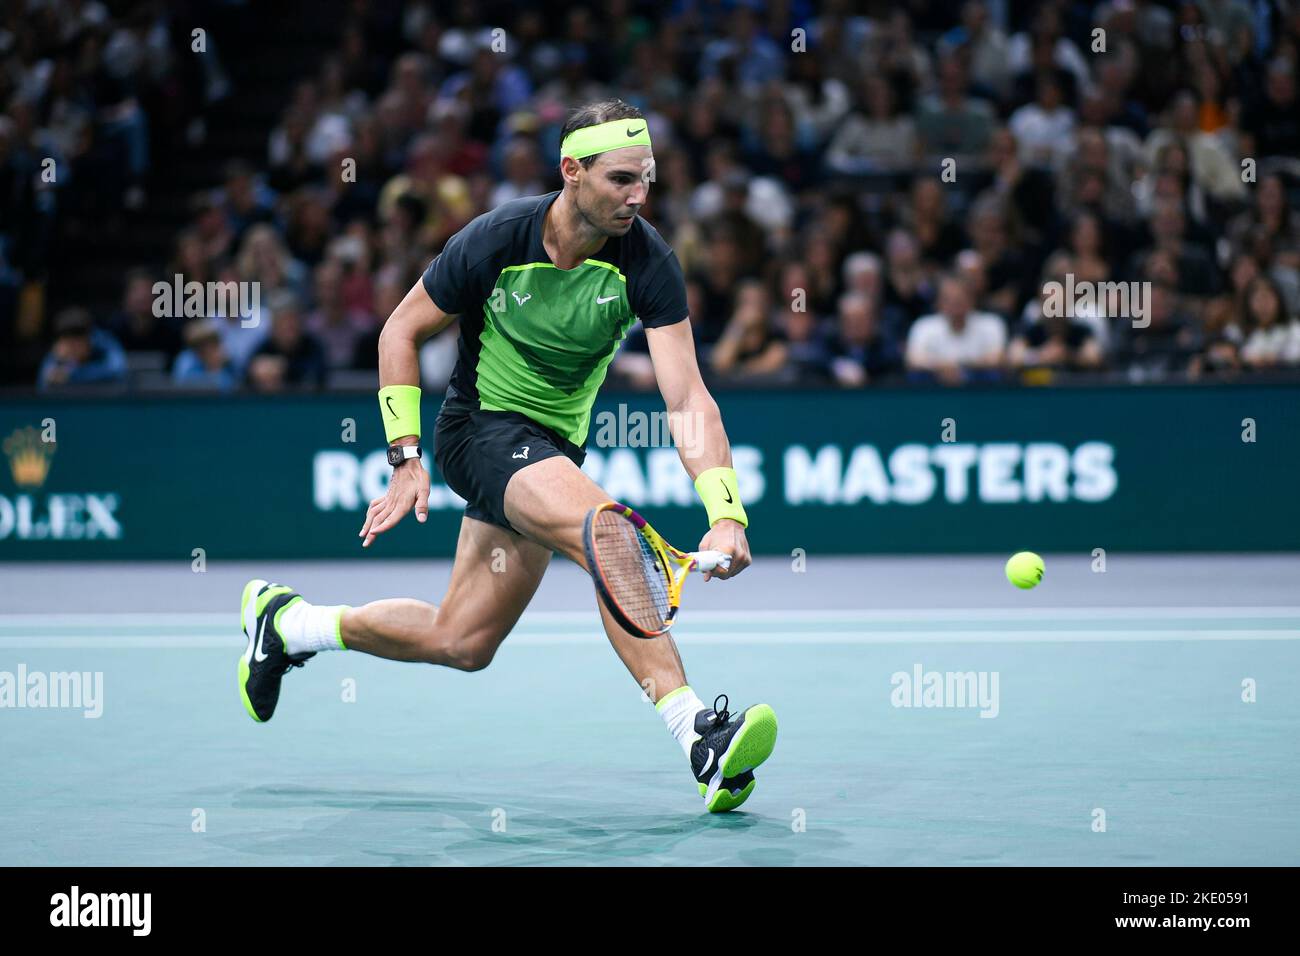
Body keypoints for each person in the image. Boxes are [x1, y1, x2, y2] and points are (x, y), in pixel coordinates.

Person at [236, 100, 778, 813]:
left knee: (461, 639)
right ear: (571, 172)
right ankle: (699, 735)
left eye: (645, 178)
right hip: (478, 431)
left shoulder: (647, 262)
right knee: (608, 534)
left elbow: (688, 400)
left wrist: (726, 512)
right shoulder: (495, 240)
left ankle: (287, 624)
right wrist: (405, 456)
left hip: (549, 451)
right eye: (620, 179)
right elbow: (399, 332)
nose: (638, 196)